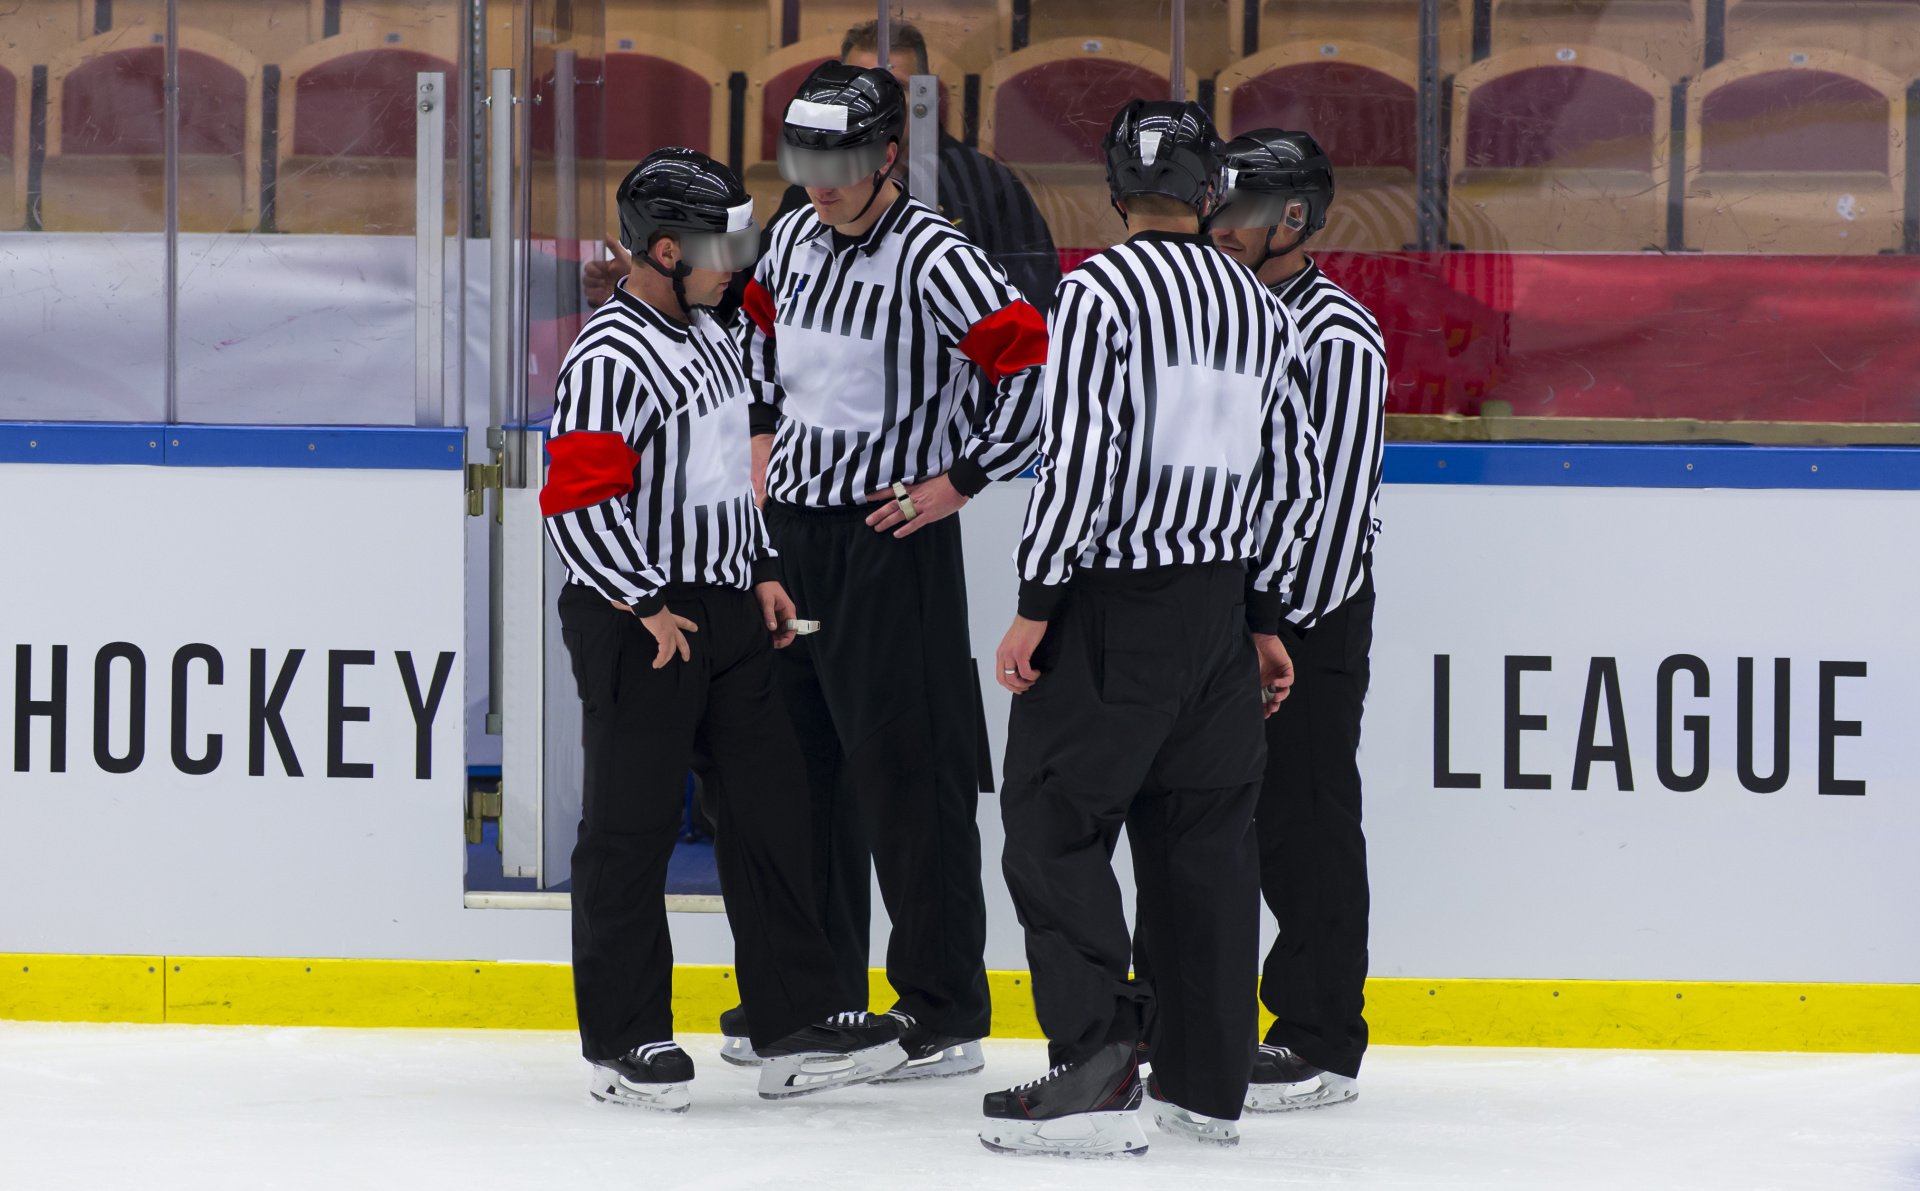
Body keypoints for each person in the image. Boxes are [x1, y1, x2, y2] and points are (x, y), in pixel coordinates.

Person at [980, 100, 1322, 1158]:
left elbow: (1079, 459)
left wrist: (1036, 603)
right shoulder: (1262, 307)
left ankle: (1094, 1059)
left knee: (1050, 824)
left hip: (1114, 611)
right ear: (1209, 190)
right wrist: (1263, 619)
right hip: (1220, 612)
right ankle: (1207, 1084)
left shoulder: (1098, 292)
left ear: (1115, 193)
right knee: (1205, 845)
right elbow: (1292, 477)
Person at [541, 147, 905, 1110]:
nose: (738, 258)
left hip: (730, 607)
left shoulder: (712, 335)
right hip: (641, 616)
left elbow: (722, 479)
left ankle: (795, 1023)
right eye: (720, 241)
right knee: (630, 828)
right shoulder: (608, 356)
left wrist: (764, 572)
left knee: (774, 813)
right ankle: (627, 1041)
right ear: (665, 249)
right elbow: (575, 501)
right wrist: (643, 600)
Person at [718, 61, 1050, 1084]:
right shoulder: (789, 242)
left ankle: (943, 1010)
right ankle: (822, 1000)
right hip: (797, 542)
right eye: (806, 158)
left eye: (844, 161)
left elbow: (1033, 372)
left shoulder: (936, 257)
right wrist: (765, 443)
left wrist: (957, 482)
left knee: (912, 776)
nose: (822, 179)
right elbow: (759, 350)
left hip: (890, 541)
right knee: (803, 772)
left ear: (889, 157)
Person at [1210, 129, 1389, 1113]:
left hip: (1304, 623)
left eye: (1239, 207)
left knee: (1306, 823)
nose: (1220, 223)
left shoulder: (1337, 335)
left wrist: (1272, 624)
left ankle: (1319, 1037)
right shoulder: (1221, 316)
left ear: (1292, 219)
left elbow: (1332, 506)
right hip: (1231, 615)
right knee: (1222, 824)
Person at [584, 19, 1061, 315]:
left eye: (890, 85)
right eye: (856, 85)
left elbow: (1036, 300)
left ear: (923, 94)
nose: (871, 102)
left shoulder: (983, 183)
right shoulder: (809, 198)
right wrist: (655, 285)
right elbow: (746, 296)